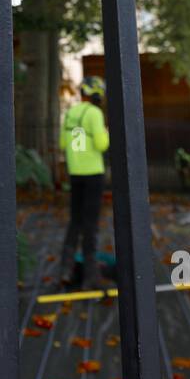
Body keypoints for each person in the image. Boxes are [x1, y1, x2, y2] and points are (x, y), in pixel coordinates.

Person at [59, 75, 110, 289]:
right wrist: (105, 133)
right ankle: (91, 277)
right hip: (93, 174)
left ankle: (65, 270)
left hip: (76, 173)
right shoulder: (94, 113)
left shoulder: (72, 112)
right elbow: (101, 144)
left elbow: (65, 143)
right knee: (90, 225)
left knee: (75, 222)